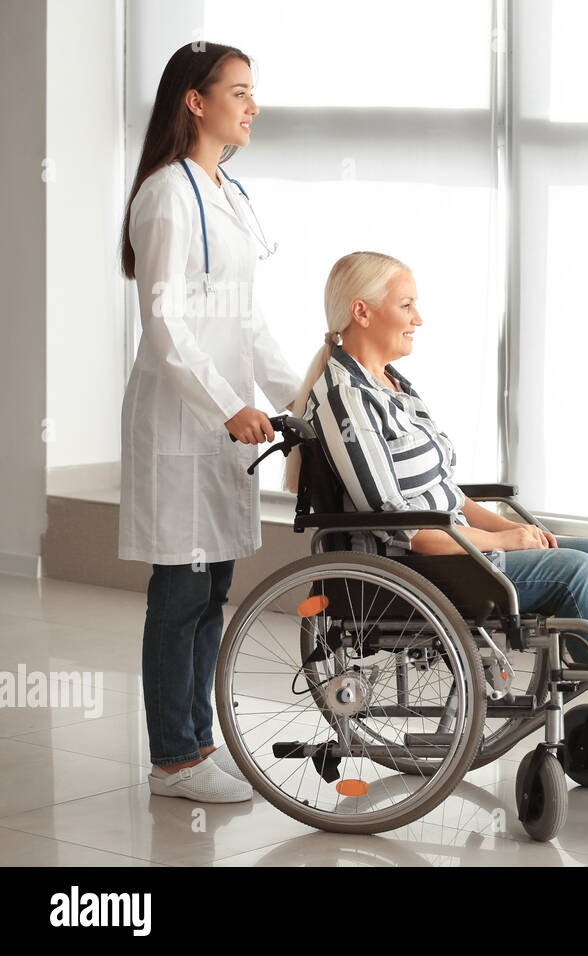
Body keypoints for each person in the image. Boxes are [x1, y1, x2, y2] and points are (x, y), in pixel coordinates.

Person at [284, 251, 588, 773]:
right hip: (417, 568)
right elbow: (406, 528)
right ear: (362, 311)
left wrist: (515, 529)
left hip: (454, 550)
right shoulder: (346, 399)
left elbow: (447, 495)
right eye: (407, 305)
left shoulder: (393, 386)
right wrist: (503, 543)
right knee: (575, 572)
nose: (419, 318)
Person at [118, 43, 300, 803]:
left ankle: (196, 741)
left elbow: (246, 320)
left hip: (225, 426)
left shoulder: (226, 191)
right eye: (239, 91)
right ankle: (173, 762)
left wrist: (302, 394)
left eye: (253, 92)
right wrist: (228, 405)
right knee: (182, 593)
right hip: (184, 420)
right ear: (195, 101)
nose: (253, 105)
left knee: (213, 589)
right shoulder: (167, 194)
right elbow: (165, 326)